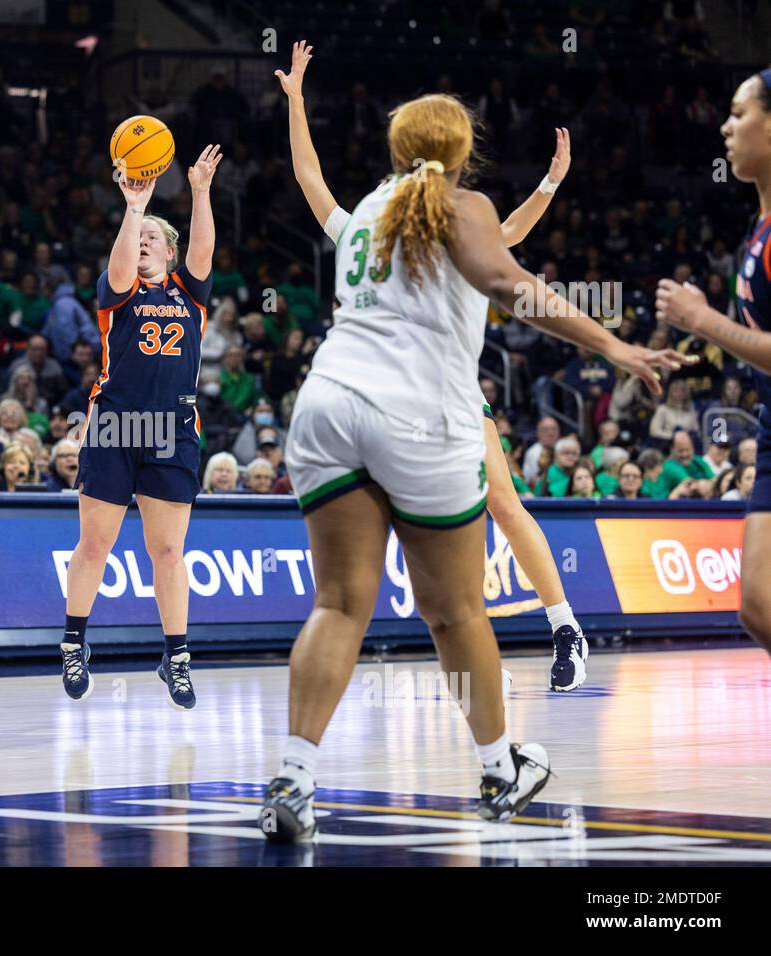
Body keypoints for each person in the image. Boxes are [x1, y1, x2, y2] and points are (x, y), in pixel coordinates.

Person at [260, 47, 680, 842]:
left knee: (339, 603)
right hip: (418, 417)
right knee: (455, 612)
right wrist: (613, 346)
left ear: (394, 151)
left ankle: (294, 775)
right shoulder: (464, 205)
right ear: (461, 153)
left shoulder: (362, 215)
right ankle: (497, 769)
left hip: (326, 404)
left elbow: (307, 175)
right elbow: (506, 284)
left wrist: (296, 101)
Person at [276, 42, 637, 692]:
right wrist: (296, 99)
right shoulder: (376, 222)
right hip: (383, 404)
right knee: (431, 573)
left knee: (501, 500)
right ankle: (488, 728)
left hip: (431, 397)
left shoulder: (431, 220)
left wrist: (550, 185)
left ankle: (563, 626)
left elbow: (503, 249)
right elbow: (309, 179)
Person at [59, 142, 221, 709]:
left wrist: (199, 191)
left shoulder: (190, 293)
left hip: (173, 427)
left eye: (156, 236)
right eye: (140, 237)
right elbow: (120, 264)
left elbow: (202, 248)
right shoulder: (118, 291)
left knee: (168, 551)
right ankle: (75, 641)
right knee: (96, 542)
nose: (146, 240)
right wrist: (134, 209)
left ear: (171, 253)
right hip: (115, 425)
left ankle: (175, 657)